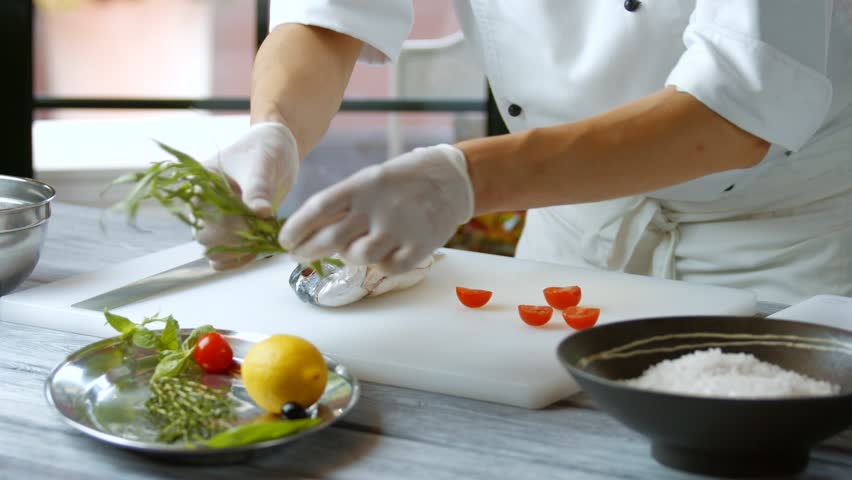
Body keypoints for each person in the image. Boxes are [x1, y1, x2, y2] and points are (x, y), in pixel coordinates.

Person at [196, 1, 852, 305]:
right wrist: (274, 127)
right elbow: (327, 15)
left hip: (778, 246)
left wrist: (463, 179)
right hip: (573, 240)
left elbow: (740, 105)